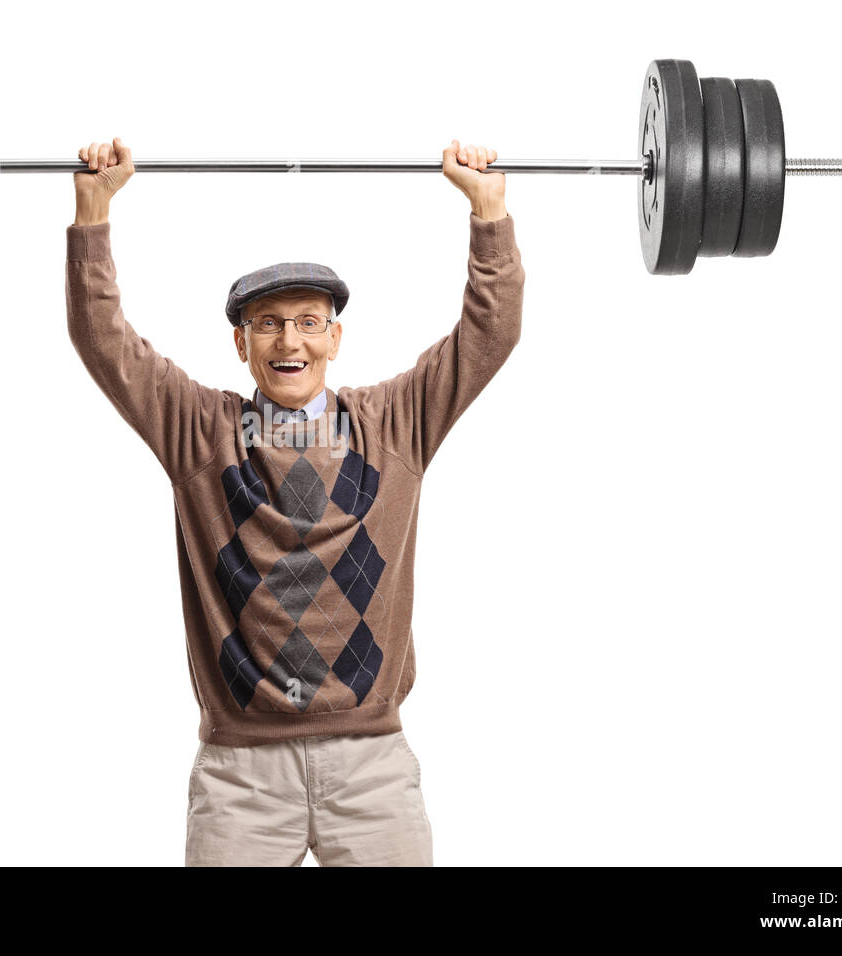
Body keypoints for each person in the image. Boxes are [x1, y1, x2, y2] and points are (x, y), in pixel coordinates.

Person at [66, 137, 525, 866]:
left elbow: (488, 332)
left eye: (309, 321)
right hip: (241, 778)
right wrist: (93, 213)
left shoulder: (395, 425)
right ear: (241, 344)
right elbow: (104, 340)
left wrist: (489, 214)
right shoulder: (199, 434)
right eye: (269, 324)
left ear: (335, 337)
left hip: (371, 765)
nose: (291, 341)